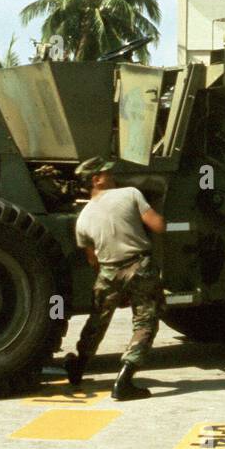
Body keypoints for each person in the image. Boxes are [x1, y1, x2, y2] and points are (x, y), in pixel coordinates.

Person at [63, 156, 167, 401]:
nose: (112, 176)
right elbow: (158, 226)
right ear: (96, 180)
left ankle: (78, 367)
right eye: (107, 173)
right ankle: (124, 380)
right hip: (139, 266)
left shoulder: (83, 219)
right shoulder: (129, 194)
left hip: (108, 272)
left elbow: (93, 259)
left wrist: (116, 283)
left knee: (97, 321)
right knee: (145, 322)